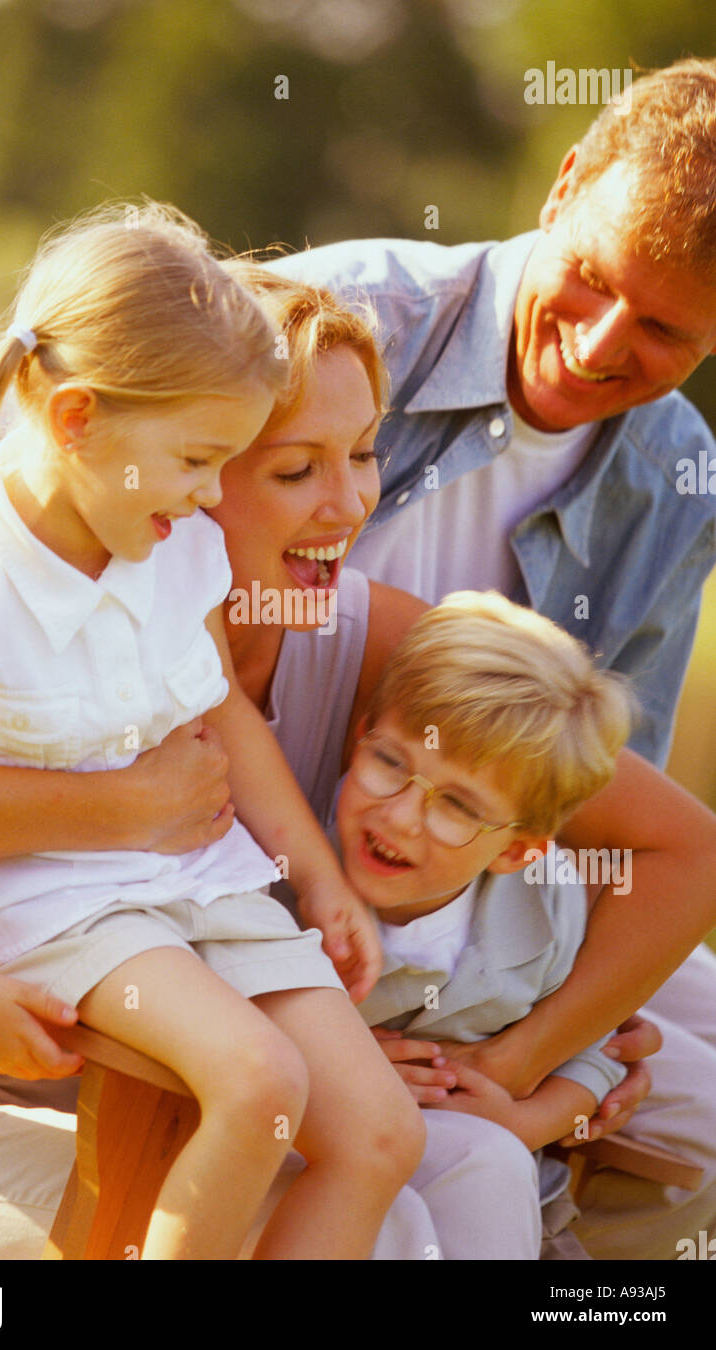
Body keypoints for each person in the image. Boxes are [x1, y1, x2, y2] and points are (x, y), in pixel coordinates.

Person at [0, 263, 716, 1260]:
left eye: (362, 455)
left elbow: (673, 843)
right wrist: (123, 809)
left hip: (207, 1058)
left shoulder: (362, 634)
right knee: (382, 1209)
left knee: (582, 1134)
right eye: (293, 468)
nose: (348, 505)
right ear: (182, 461)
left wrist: (526, 1060)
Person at [0, 202, 428, 1261]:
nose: (212, 495)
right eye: (199, 460)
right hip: (57, 902)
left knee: (383, 1133)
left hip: (201, 880)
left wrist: (319, 876)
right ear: (76, 420)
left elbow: (219, 719)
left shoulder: (178, 547)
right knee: (259, 1088)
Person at [275, 58, 716, 1160]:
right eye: (594, 277)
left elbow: (608, 815)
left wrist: (543, 1052)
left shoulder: (677, 475)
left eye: (667, 334)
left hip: (474, 875)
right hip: (274, 830)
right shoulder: (342, 324)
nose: (605, 342)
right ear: (562, 187)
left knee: (691, 1107)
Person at [336, 590, 635, 1254]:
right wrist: (330, 1055)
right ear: (360, 734)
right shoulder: (289, 871)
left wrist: (529, 1118)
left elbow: (593, 1046)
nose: (400, 817)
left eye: (457, 806)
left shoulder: (544, 906)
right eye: (389, 763)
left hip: (448, 1142)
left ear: (516, 849)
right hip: (300, 1132)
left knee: (491, 1160)